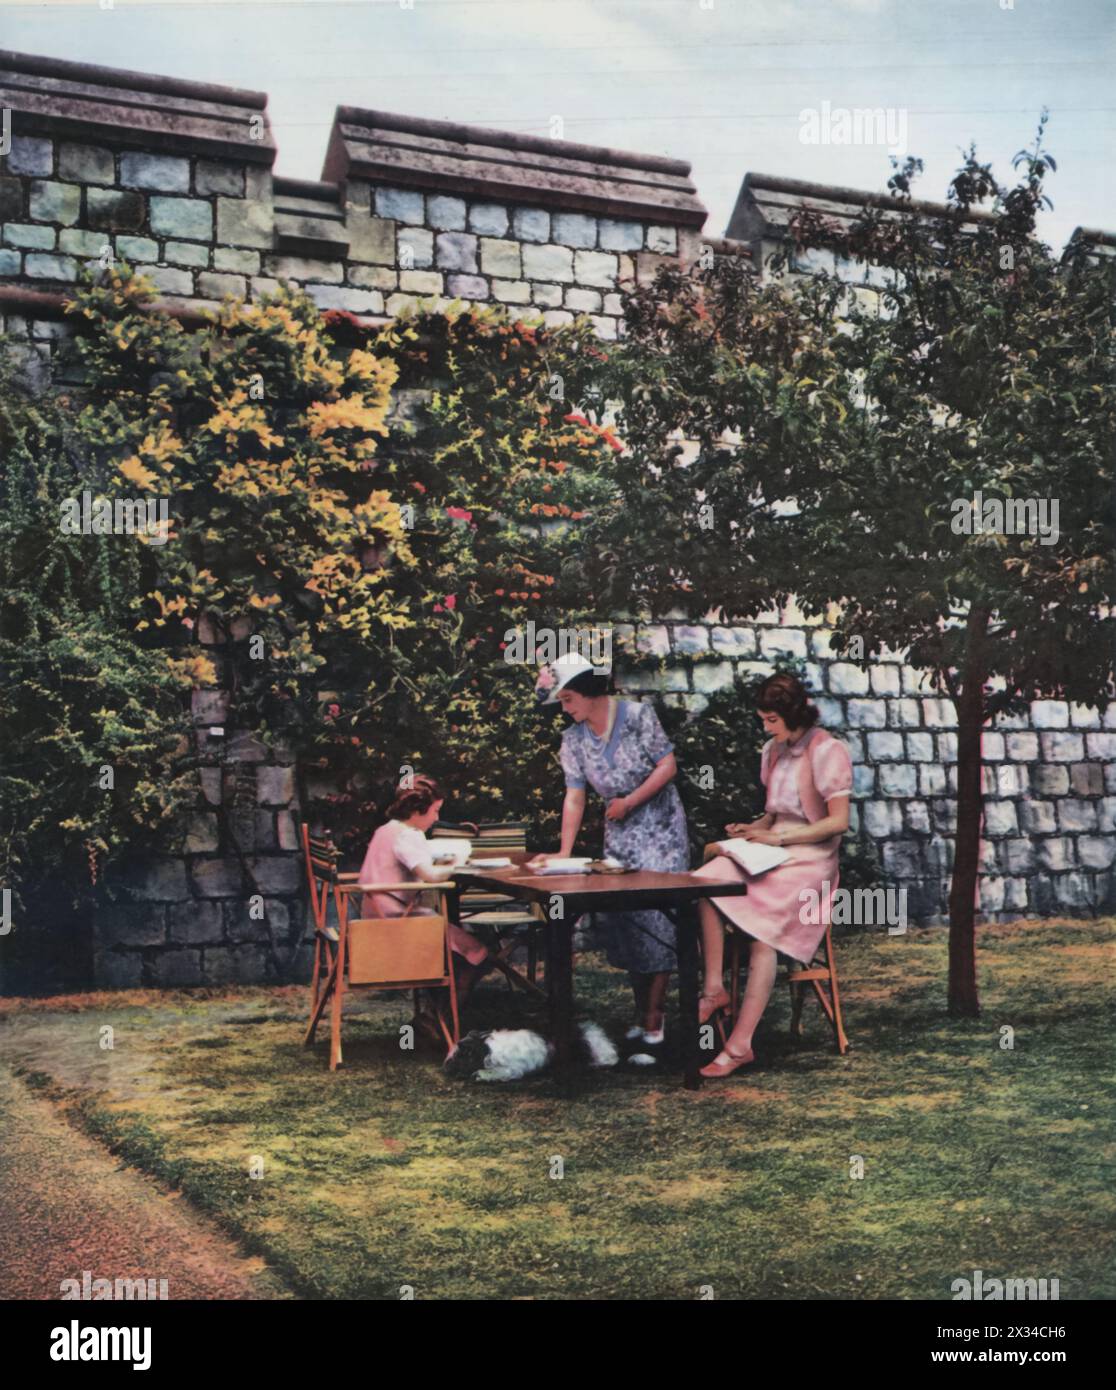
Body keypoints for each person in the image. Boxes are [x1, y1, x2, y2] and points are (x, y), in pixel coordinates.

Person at [690, 673, 853, 1078]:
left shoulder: (828, 751)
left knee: (762, 934)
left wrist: (778, 839)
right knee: (706, 881)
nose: (765, 728)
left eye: (771, 720)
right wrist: (752, 829)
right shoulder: (774, 751)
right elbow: (774, 813)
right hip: (773, 848)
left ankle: (740, 1045)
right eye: (763, 720)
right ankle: (714, 988)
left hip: (810, 860)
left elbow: (837, 824)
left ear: (794, 714)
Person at [529, 651, 690, 1051]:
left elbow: (667, 767)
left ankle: (655, 1019)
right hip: (619, 835)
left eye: (568, 700)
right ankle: (642, 1014)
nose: (565, 710)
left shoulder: (637, 717)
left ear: (589, 691)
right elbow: (575, 797)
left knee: (657, 919)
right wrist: (565, 851)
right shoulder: (573, 740)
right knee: (629, 923)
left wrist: (631, 801)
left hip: (660, 829)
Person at [359, 775, 492, 1042]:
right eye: (435, 811)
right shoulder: (409, 835)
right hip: (400, 925)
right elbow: (430, 876)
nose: (435, 818)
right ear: (417, 810)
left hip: (374, 922)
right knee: (480, 951)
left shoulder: (385, 830)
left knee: (457, 947)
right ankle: (437, 1019)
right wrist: (458, 865)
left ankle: (433, 1015)